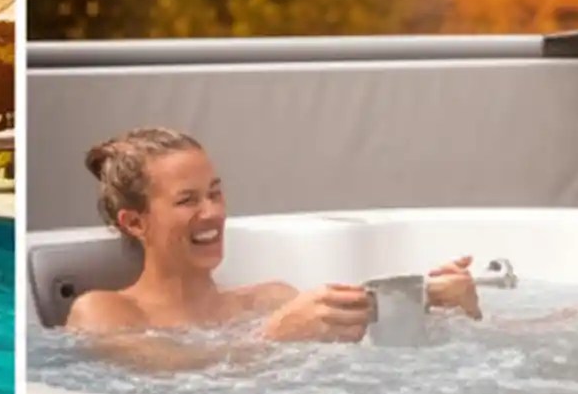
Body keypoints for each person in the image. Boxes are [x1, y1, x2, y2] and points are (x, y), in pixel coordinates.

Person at [66, 128, 481, 370]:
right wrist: (272, 338)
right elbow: (172, 379)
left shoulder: (269, 300)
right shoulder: (106, 312)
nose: (212, 213)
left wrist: (434, 306)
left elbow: (385, 367)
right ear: (135, 222)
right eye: (187, 200)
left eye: (215, 193)